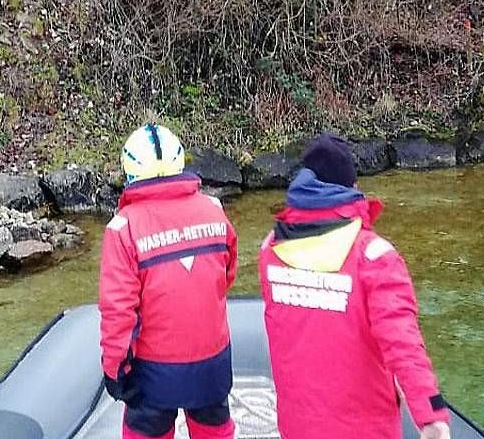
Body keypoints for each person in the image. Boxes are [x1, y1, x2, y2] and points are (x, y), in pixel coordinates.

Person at [258, 134, 452, 439]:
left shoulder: (271, 249)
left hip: (298, 425)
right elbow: (402, 343)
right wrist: (431, 415)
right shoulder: (374, 256)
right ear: (352, 188)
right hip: (365, 428)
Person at [99, 124, 238, 439]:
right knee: (215, 431)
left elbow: (119, 310)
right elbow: (227, 274)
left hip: (152, 372)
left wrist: (115, 371)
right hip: (212, 363)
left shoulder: (123, 228)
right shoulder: (214, 211)